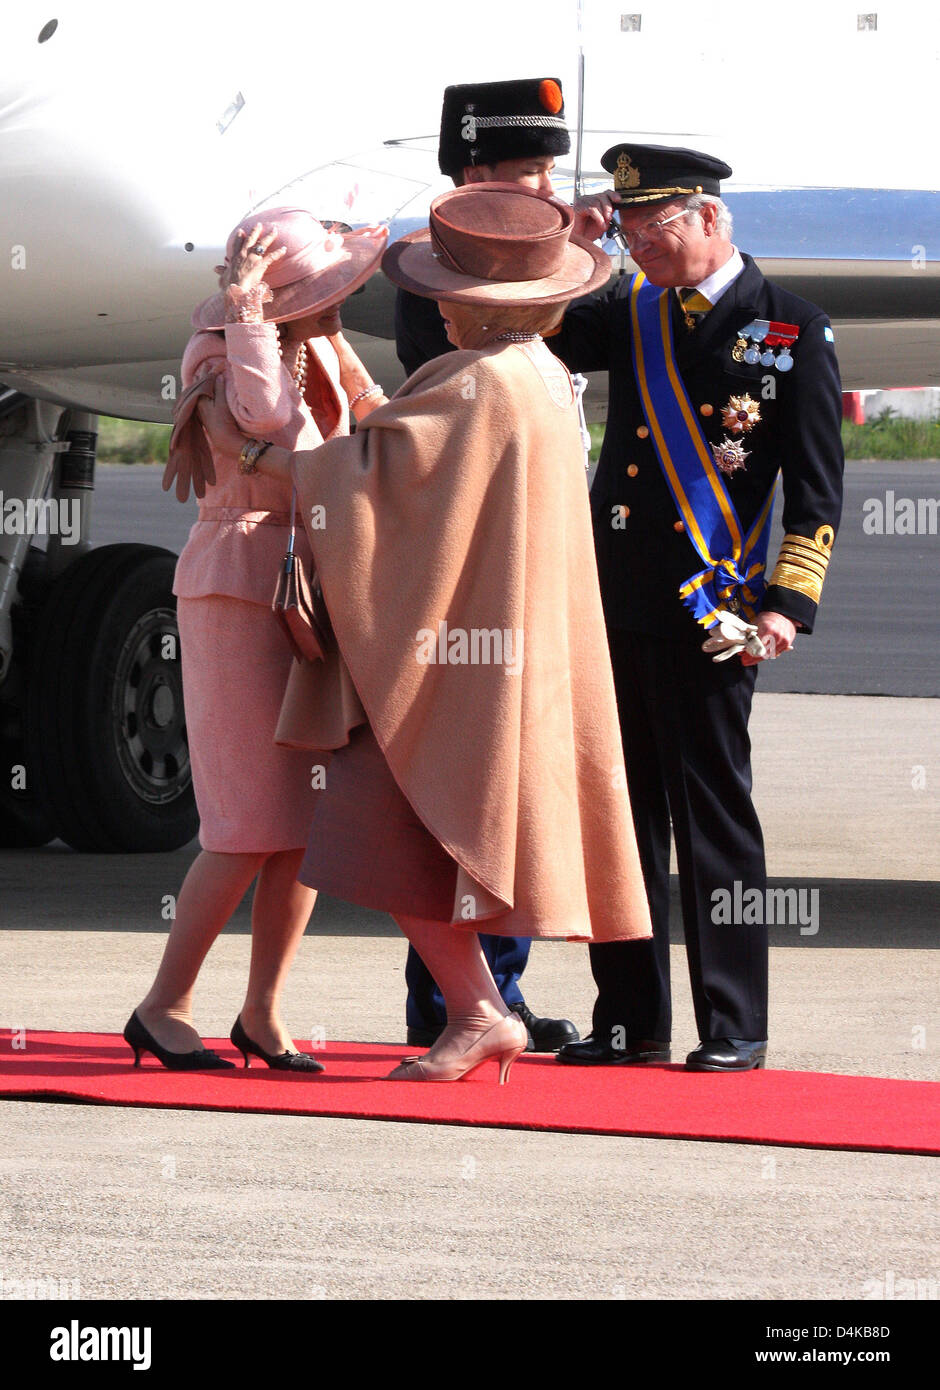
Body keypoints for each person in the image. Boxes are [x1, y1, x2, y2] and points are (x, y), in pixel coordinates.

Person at [201, 183, 654, 1083]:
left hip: (451, 662)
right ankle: (479, 1010)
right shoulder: (541, 376)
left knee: (385, 812)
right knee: (407, 828)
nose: (437, 305)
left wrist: (252, 454)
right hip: (496, 647)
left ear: (483, 304)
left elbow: (362, 478)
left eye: (449, 290)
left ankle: (481, 1010)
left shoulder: (473, 382)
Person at [548, 144, 844, 1071]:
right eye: (630, 228)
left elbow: (818, 491)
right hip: (617, 598)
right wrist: (570, 246)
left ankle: (733, 1025)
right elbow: (521, 331)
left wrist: (789, 603)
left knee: (712, 816)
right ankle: (630, 1021)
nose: (640, 245)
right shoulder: (628, 309)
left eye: (653, 228)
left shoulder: (790, 328)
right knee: (619, 815)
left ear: (710, 218)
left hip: (718, 608)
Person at [124, 208, 387, 1072]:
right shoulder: (227, 349)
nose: (338, 303)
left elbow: (373, 426)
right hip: (240, 595)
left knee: (303, 827)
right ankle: (164, 1007)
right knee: (241, 824)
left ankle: (262, 1014)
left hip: (307, 593)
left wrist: (333, 343)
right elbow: (266, 415)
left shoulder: (314, 345)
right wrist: (249, 313)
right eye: (322, 292)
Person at [395, 76, 586, 1054]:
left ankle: (486, 995)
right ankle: (457, 1002)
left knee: (501, 800)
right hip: (470, 589)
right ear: (476, 181)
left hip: (510, 590)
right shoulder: (448, 289)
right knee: (461, 803)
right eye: (528, 173)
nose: (548, 187)